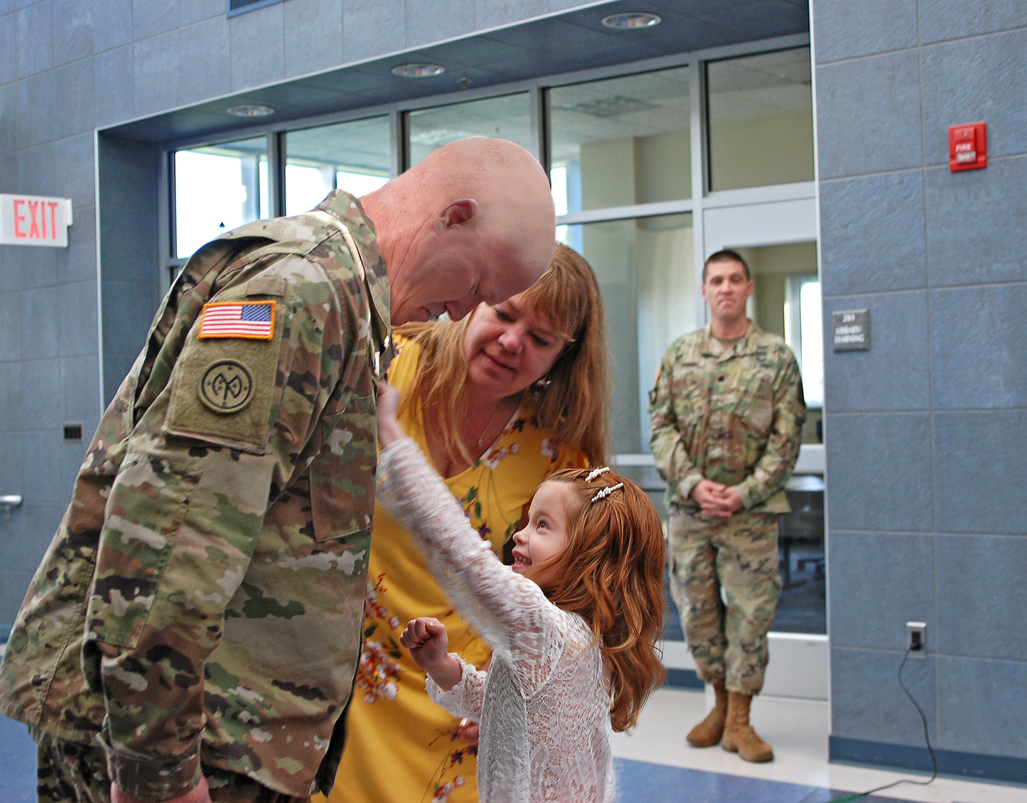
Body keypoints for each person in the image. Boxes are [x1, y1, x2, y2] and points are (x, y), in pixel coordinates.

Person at [0, 136, 556, 803]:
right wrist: (159, 773)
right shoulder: (303, 293)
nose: (463, 311)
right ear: (455, 214)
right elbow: (170, 537)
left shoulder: (346, 308)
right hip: (184, 746)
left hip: (224, 737)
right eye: (479, 285)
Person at [323, 244, 609, 803]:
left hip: (464, 698)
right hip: (343, 682)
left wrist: (530, 699)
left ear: (562, 359)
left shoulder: (561, 460)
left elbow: (579, 603)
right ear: (474, 303)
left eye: (541, 338)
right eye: (504, 313)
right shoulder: (384, 366)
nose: (511, 342)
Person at [374, 381, 667, 803]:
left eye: (543, 525)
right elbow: (505, 707)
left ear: (590, 555)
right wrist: (441, 666)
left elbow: (458, 547)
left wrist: (390, 432)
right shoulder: (581, 637)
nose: (519, 535)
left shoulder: (545, 627)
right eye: (528, 520)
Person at [648, 249, 805, 763]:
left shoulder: (776, 358)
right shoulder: (680, 355)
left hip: (750, 518)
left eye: (735, 279)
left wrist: (744, 492)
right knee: (697, 615)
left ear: (749, 288)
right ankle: (717, 705)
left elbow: (787, 439)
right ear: (704, 290)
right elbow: (662, 427)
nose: (726, 288)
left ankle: (741, 719)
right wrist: (693, 484)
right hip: (691, 515)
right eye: (716, 280)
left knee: (750, 617)